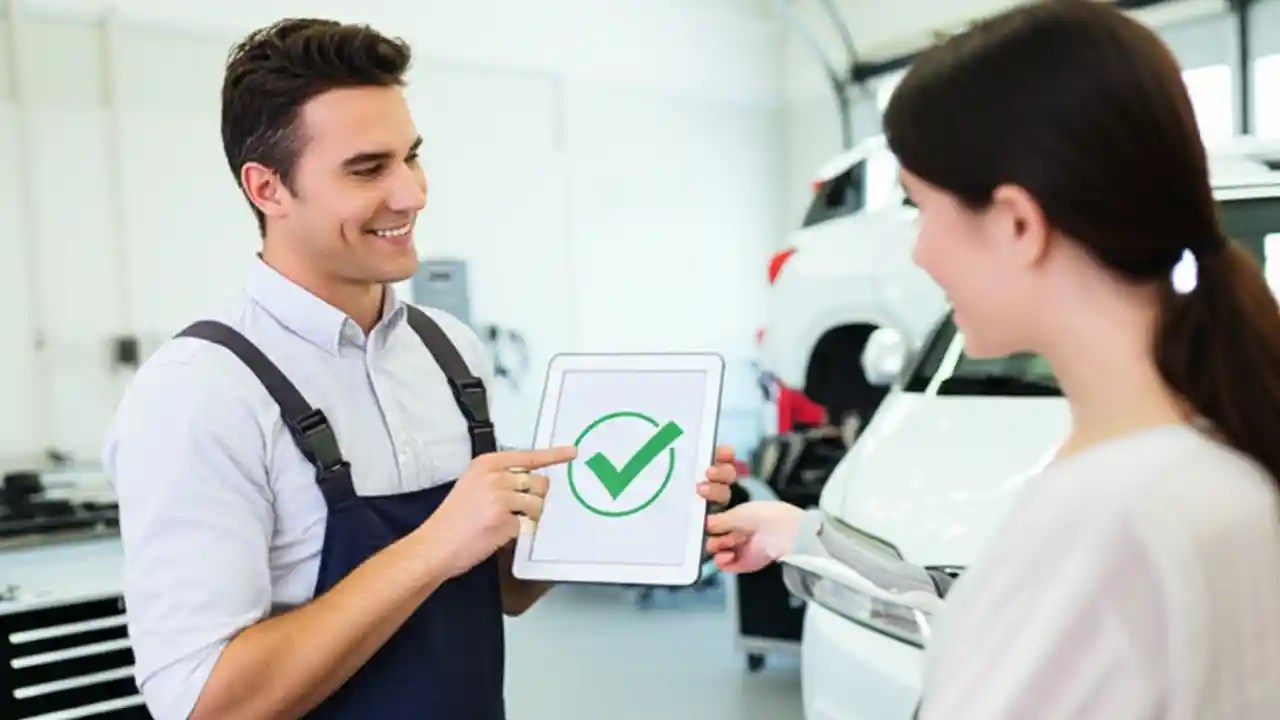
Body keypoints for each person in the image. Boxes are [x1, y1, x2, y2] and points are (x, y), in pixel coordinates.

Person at [102, 18, 739, 720]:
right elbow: (204, 705)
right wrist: (433, 546)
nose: (412, 194)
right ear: (268, 189)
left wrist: (647, 508)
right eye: (367, 169)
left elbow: (504, 588)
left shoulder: (449, 350)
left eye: (411, 157)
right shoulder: (199, 392)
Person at [705, 1, 1280, 717]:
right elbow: (1004, 623)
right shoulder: (1211, 464)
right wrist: (801, 536)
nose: (920, 253)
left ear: (1015, 223)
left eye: (922, 209)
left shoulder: (1107, 519)